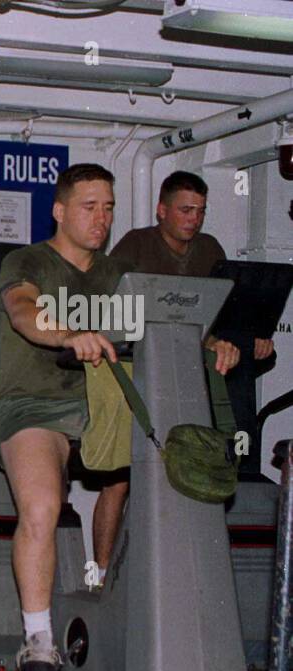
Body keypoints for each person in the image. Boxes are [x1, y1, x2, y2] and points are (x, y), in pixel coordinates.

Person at [0, 163, 127, 671]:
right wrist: (69, 333)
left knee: (166, 467)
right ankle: (39, 639)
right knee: (44, 506)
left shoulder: (117, 275)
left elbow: (163, 323)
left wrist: (215, 344)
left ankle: (110, 594)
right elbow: (23, 312)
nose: (102, 218)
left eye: (110, 207)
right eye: (90, 206)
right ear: (60, 210)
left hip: (97, 406)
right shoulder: (26, 261)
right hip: (30, 408)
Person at [89, 171, 247, 580]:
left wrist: (221, 341)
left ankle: (185, 572)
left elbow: (213, 314)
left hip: (187, 381)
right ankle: (101, 574)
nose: (193, 219)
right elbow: (109, 312)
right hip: (137, 376)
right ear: (162, 210)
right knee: (120, 479)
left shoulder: (210, 249)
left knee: (192, 469)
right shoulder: (135, 246)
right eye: (185, 210)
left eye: (200, 211)